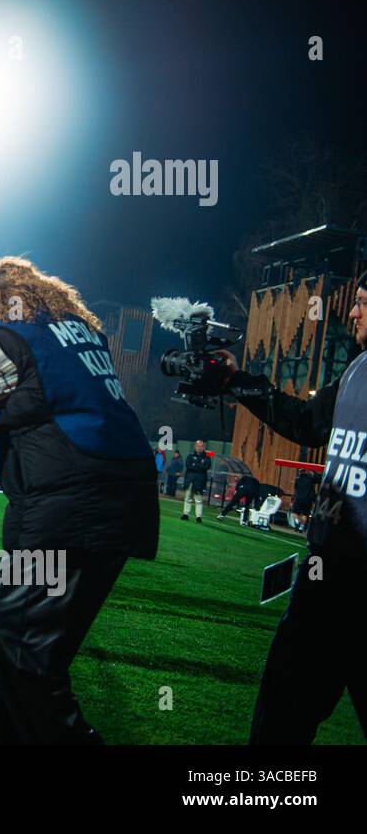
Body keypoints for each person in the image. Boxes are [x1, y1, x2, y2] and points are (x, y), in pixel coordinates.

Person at [0, 256, 158, 743]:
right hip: (128, 502)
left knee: (11, 630)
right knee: (36, 646)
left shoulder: (6, 336)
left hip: (67, 502)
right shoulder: (81, 334)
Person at [221, 273, 367, 743]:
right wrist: (235, 381)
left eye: (362, 302)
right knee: (282, 715)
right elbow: (304, 421)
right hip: (325, 572)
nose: (352, 312)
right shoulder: (355, 371)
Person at [182, 439, 212, 522]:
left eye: (201, 446)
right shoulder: (190, 455)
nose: (199, 448)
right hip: (190, 480)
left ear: (204, 447)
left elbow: (206, 467)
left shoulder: (207, 457)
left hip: (200, 481)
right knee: (187, 497)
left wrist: (195, 465)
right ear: (195, 446)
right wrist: (199, 466)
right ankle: (185, 514)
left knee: (198, 499)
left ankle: (198, 516)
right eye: (198, 446)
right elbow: (188, 466)